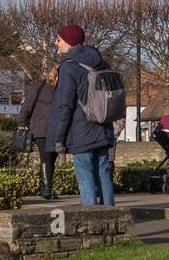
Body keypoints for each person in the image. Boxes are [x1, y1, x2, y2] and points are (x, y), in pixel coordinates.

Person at [46, 24, 115, 206]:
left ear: (69, 41)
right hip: (102, 126)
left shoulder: (69, 67)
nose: (56, 43)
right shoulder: (101, 62)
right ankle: (111, 220)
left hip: (81, 130)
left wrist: (58, 138)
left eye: (59, 39)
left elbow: (64, 106)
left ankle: (92, 222)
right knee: (103, 174)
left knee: (85, 177)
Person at [18, 65, 59, 200]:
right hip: (41, 129)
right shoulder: (40, 85)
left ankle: (47, 188)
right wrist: (22, 122)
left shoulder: (62, 89)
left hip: (57, 130)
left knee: (52, 159)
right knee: (46, 157)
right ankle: (46, 189)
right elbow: (27, 105)